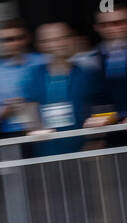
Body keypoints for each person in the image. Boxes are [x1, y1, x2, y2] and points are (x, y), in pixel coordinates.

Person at [28, 21, 102, 153]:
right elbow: (29, 107)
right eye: (50, 40)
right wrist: (34, 128)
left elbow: (100, 109)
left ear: (71, 39)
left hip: (85, 149)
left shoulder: (87, 74)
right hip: (47, 150)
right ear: (40, 45)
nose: (58, 44)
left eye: (62, 38)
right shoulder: (35, 75)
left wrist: (96, 140)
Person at [0, 18, 45, 136]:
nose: (14, 43)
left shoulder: (43, 61)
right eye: (7, 40)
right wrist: (3, 111)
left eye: (19, 38)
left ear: (27, 38)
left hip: (44, 129)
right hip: (12, 133)